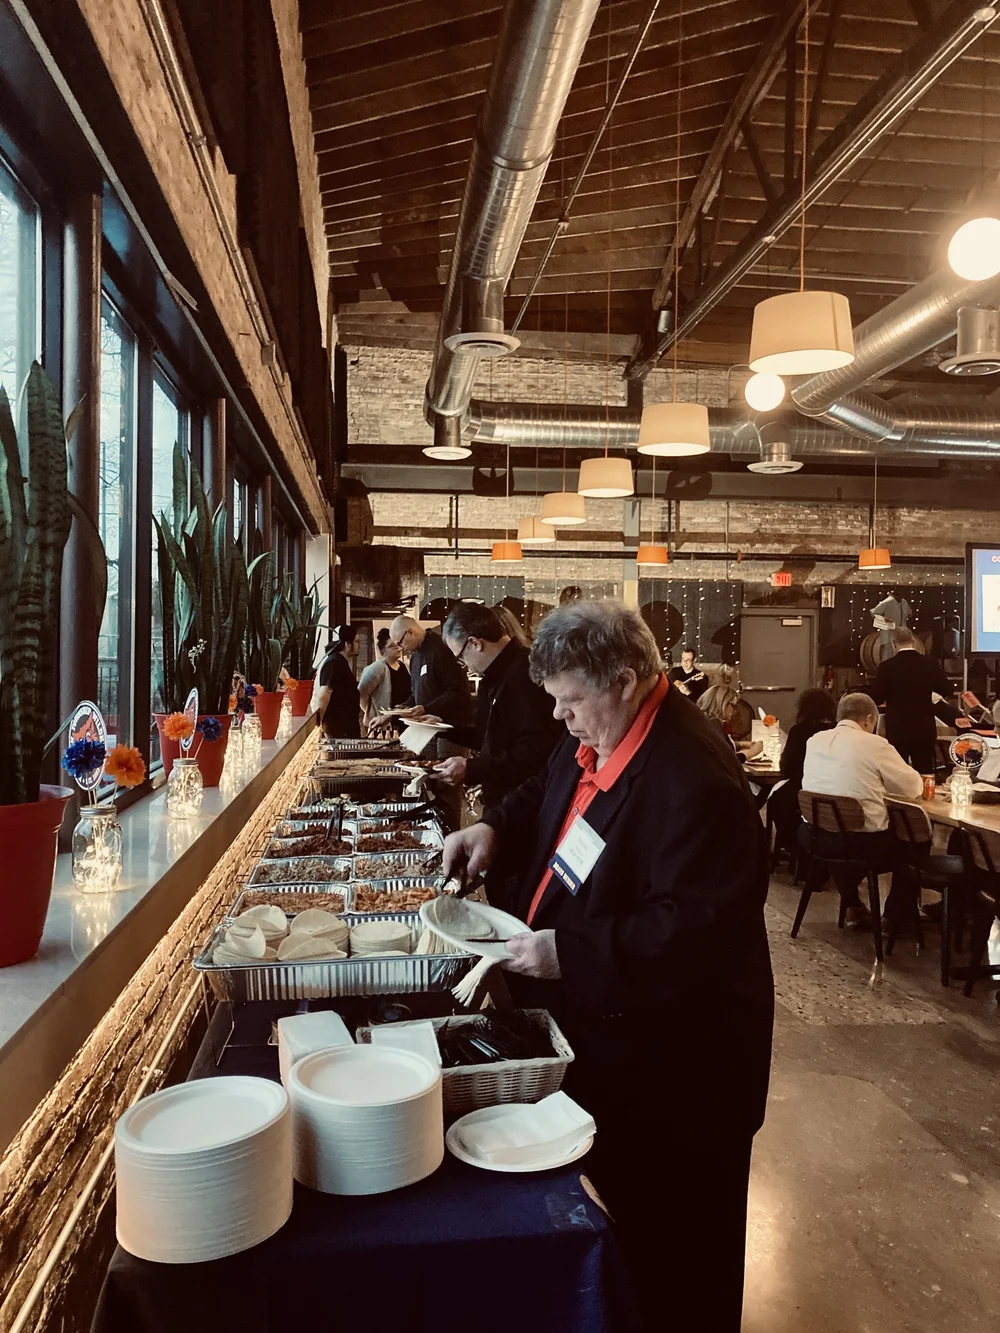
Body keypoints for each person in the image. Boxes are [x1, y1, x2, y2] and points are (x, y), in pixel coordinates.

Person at [442, 600, 773, 1332]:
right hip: (610, 1034)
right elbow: (546, 787)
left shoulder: (696, 777)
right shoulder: (601, 727)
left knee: (679, 1261)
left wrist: (564, 951)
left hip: (683, 1074)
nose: (558, 717)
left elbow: (691, 932)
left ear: (624, 679)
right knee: (618, 1239)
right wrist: (491, 825)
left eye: (569, 701)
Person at [800, 691, 923, 927]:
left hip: (815, 836)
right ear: (868, 719)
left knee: (840, 830)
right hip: (861, 844)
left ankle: (853, 905)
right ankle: (896, 918)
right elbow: (911, 786)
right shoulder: (874, 744)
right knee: (915, 841)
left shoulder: (815, 741)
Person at [434, 602, 561, 809]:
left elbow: (536, 748)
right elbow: (487, 736)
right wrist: (440, 728)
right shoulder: (493, 675)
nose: (464, 666)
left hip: (523, 802)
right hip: (501, 797)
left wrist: (472, 768)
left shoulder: (524, 672)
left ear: (475, 643)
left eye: (460, 658)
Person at [387, 615, 474, 829]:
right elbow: (416, 696)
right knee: (431, 786)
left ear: (411, 632)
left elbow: (458, 693)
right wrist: (395, 712)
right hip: (427, 732)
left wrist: (427, 709)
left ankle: (450, 836)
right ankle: (434, 832)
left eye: (400, 642)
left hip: (451, 731)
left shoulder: (441, 650)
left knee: (447, 790)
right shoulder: (416, 656)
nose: (400, 649)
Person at [769, 688, 836, 869]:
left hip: (802, 788)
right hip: (832, 790)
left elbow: (787, 766)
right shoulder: (836, 731)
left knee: (776, 802)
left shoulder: (799, 731)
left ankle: (792, 848)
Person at [871, 626, 952, 773]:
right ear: (913, 642)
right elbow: (947, 689)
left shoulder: (886, 667)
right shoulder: (930, 664)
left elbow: (877, 697)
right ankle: (926, 796)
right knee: (925, 772)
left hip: (897, 729)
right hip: (924, 728)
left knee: (898, 773)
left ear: (893, 643)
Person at [357, 628, 410, 729]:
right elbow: (361, 694)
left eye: (398, 645)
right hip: (382, 724)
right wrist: (371, 711)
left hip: (404, 721)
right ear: (383, 650)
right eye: (392, 646)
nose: (398, 648)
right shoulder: (377, 668)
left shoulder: (406, 667)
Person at [314, 624, 361, 739]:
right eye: (356, 641)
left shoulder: (340, 662)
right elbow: (324, 694)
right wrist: (319, 724)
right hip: (339, 732)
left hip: (344, 730)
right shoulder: (334, 662)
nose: (358, 645)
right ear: (347, 644)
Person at [698, 684, 763, 762]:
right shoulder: (714, 725)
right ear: (724, 704)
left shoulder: (704, 722)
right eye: (734, 706)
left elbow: (719, 747)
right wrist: (751, 752)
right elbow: (727, 761)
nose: (734, 712)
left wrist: (741, 744)